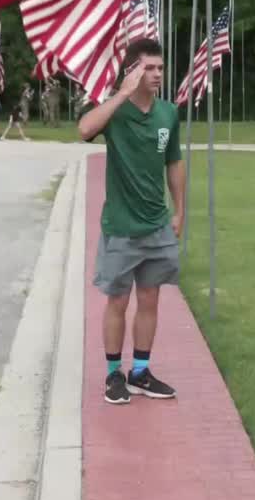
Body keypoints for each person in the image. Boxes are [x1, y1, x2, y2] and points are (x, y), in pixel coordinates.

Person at [78, 38, 185, 405]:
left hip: (157, 225)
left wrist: (179, 209)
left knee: (151, 298)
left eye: (159, 67)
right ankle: (113, 376)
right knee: (118, 302)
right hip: (121, 226)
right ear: (133, 71)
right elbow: (83, 129)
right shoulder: (116, 112)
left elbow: (174, 162)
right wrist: (121, 94)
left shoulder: (168, 113)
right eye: (149, 68)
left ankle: (140, 371)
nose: (157, 74)